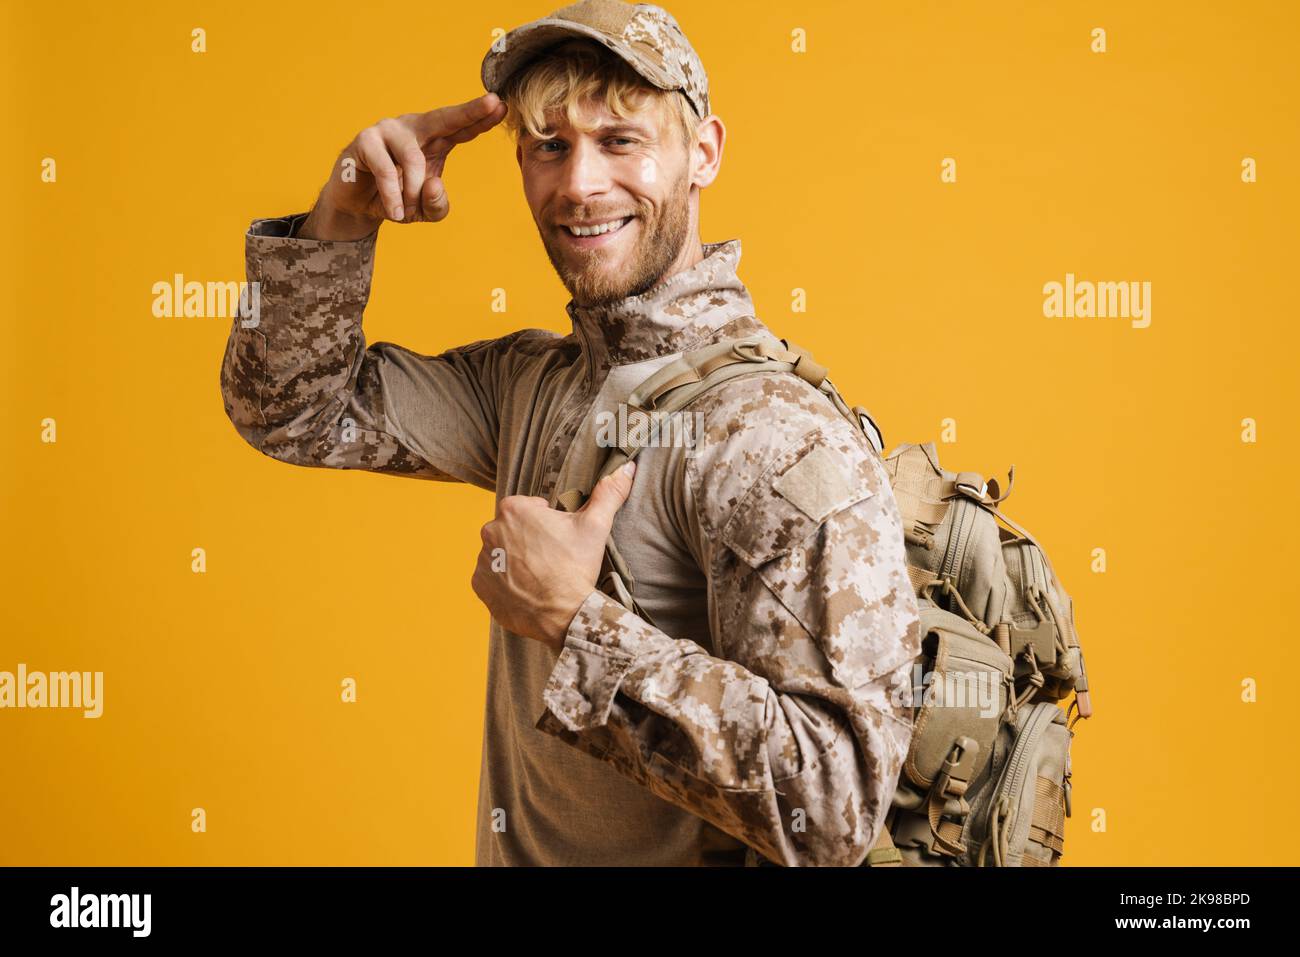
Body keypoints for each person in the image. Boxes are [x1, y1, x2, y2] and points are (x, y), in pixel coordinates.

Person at [219, 0, 920, 866]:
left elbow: (833, 807)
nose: (580, 182)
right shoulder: (530, 385)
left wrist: (571, 621)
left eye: (621, 139)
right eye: (549, 145)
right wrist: (344, 214)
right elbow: (288, 410)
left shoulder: (775, 437)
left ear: (703, 154)